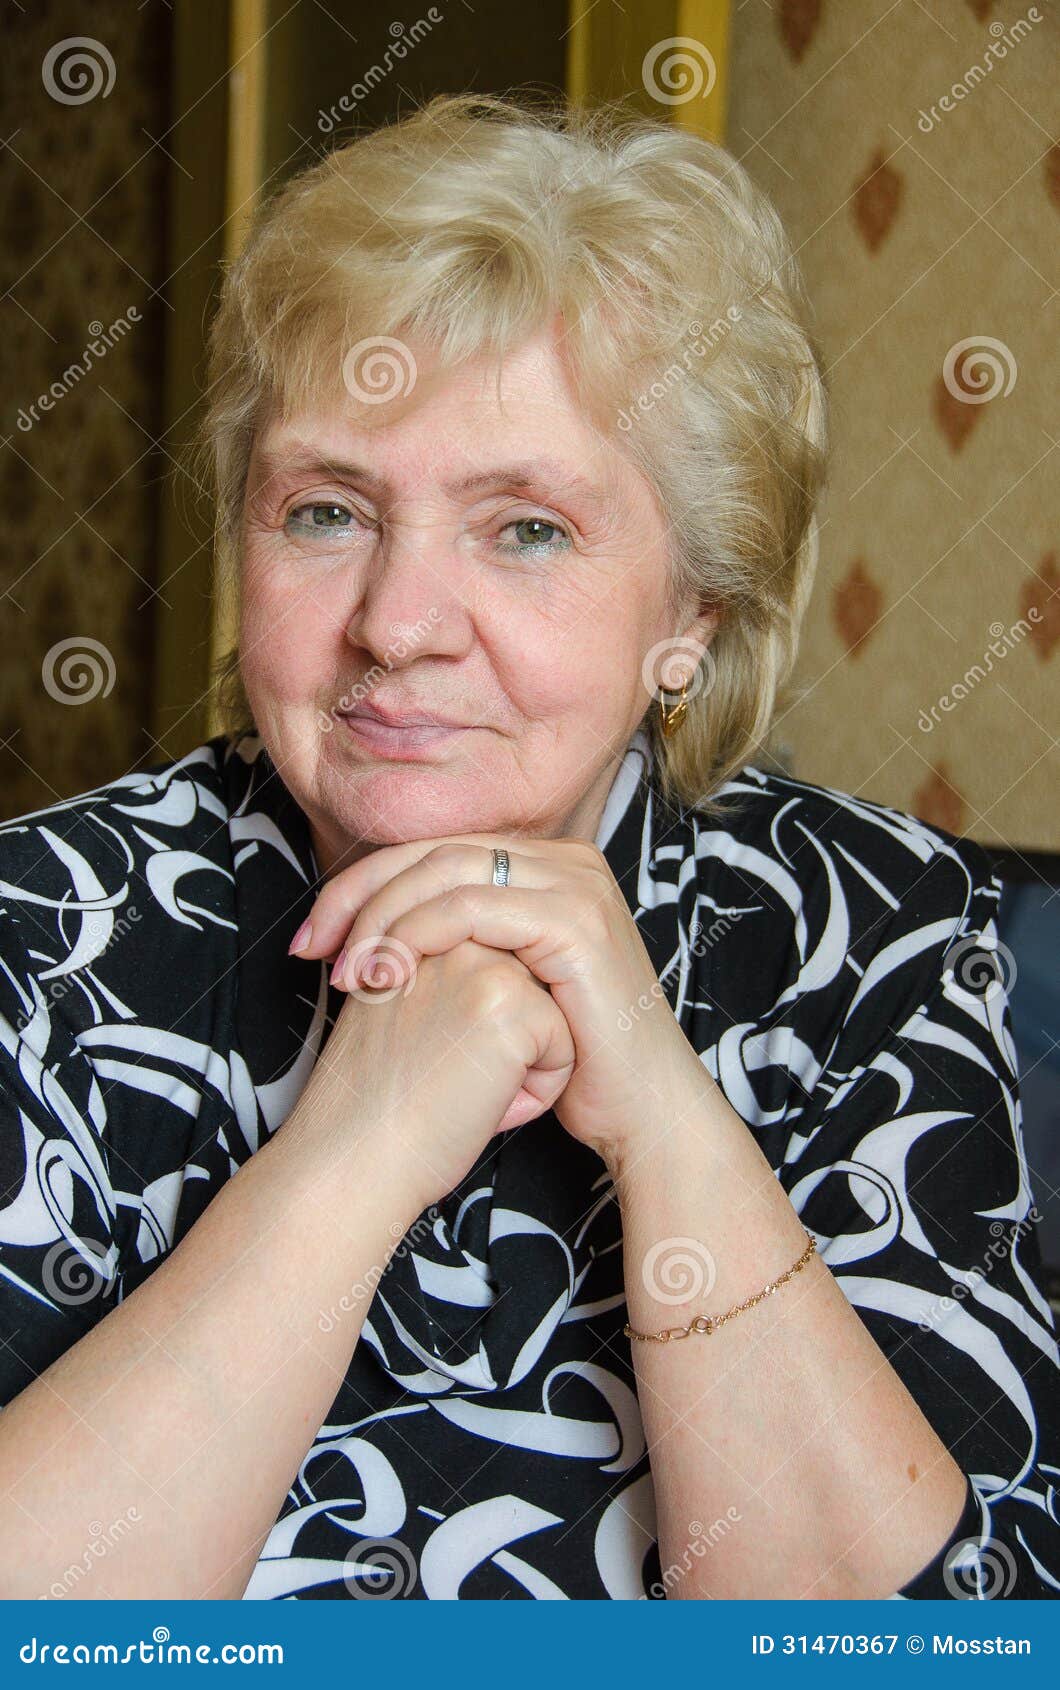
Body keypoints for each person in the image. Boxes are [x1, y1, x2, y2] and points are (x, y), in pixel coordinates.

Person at [0, 92, 1056, 1602]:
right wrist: (354, 1155)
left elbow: (917, 1651)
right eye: (325, 511)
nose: (397, 624)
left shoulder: (874, 932)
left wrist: (665, 1118)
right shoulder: (44, 932)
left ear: (693, 613)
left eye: (527, 529)